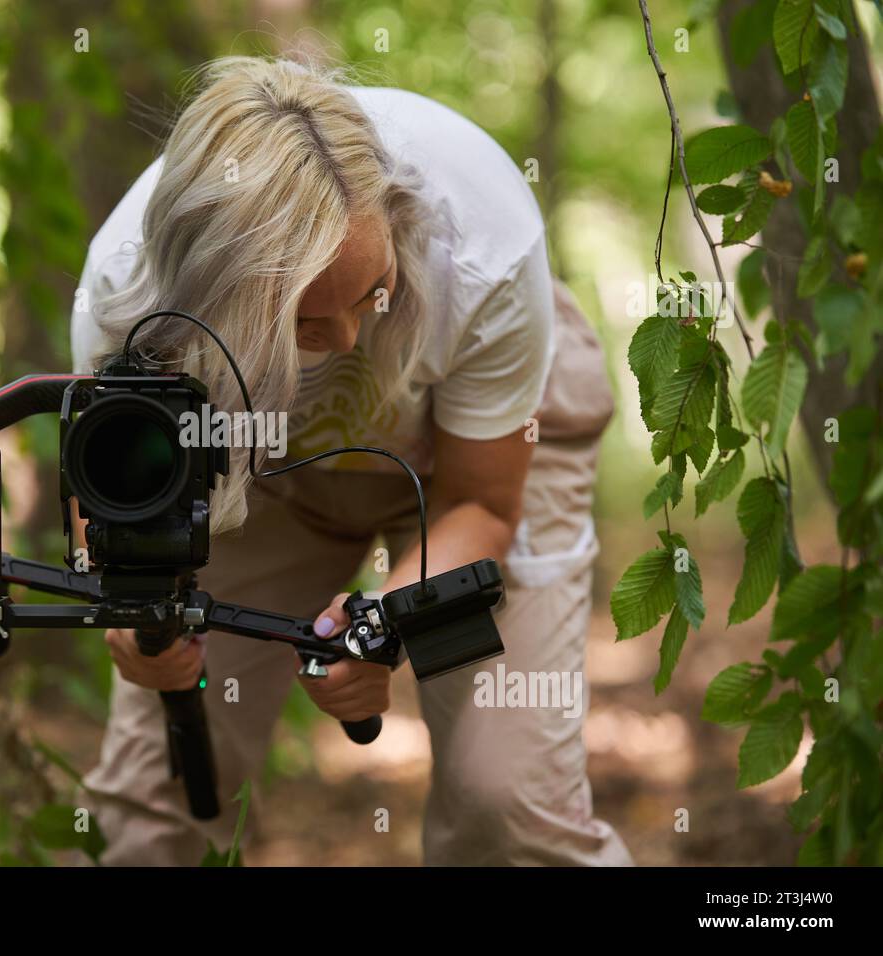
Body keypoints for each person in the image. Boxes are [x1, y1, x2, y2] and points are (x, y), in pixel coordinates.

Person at [67, 55, 631, 866]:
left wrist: (376, 626)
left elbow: (486, 506)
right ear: (207, 294)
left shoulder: (484, 253)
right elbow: (117, 510)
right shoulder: (128, 299)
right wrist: (133, 617)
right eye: (302, 323)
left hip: (476, 466)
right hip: (257, 485)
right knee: (157, 795)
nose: (347, 343)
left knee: (506, 804)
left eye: (373, 293)